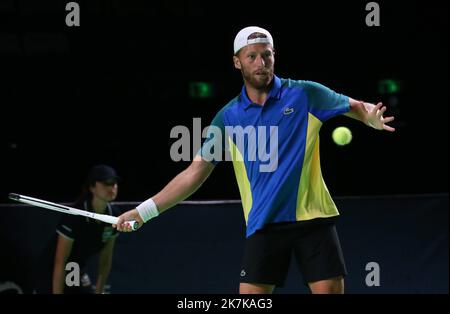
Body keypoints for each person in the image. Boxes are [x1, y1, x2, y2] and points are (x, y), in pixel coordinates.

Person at [114, 26, 395, 294]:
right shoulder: (229, 118)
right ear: (237, 62)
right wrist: (143, 212)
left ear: (274, 56)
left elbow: (355, 106)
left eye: (267, 54)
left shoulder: (304, 94)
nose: (261, 62)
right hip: (264, 224)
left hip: (314, 219)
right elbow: (194, 172)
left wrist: (369, 116)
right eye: (252, 56)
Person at [35, 164, 121, 294]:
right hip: (51, 269)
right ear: (92, 187)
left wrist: (99, 291)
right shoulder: (75, 216)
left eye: (114, 183)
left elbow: (105, 260)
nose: (112, 187)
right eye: (106, 183)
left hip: (74, 267)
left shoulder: (114, 216)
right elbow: (60, 261)